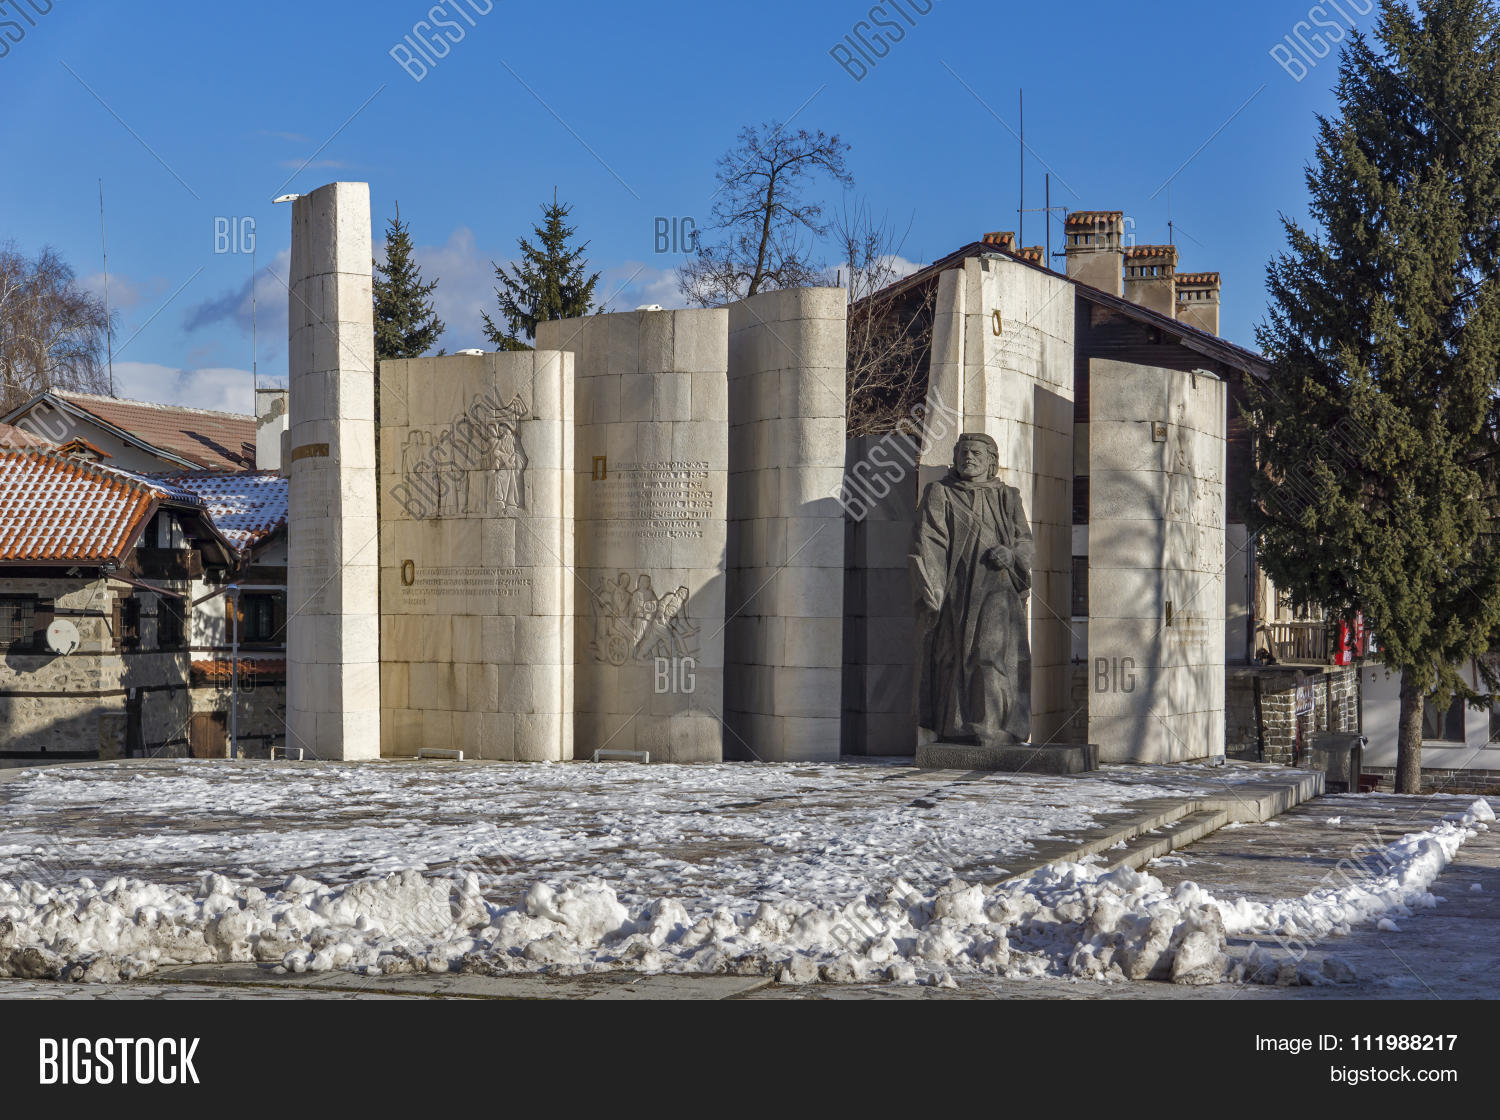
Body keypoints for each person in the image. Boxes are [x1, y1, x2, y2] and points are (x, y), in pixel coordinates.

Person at [910, 432, 1033, 746]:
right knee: (957, 657)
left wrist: (1013, 555)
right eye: (964, 452)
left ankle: (993, 725)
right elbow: (930, 541)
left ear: (991, 460)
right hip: (958, 589)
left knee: (991, 653)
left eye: (977, 453)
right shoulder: (940, 493)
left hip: (999, 589)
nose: (969, 458)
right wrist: (933, 589)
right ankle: (961, 726)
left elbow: (1025, 541)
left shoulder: (1008, 496)